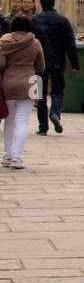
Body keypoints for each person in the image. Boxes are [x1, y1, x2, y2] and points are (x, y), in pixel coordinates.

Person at [0, 14, 47, 169]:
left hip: (8, 82)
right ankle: (17, 157)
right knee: (22, 120)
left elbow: (1, 64)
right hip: (30, 83)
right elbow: (41, 67)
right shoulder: (35, 42)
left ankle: (7, 155)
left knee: (9, 120)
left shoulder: (4, 40)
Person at [32, 0, 80, 135]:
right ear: (53, 4)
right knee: (58, 91)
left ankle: (42, 127)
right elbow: (71, 44)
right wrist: (75, 64)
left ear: (41, 4)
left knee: (40, 94)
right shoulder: (63, 20)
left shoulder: (34, 19)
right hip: (58, 62)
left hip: (39, 63)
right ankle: (55, 113)